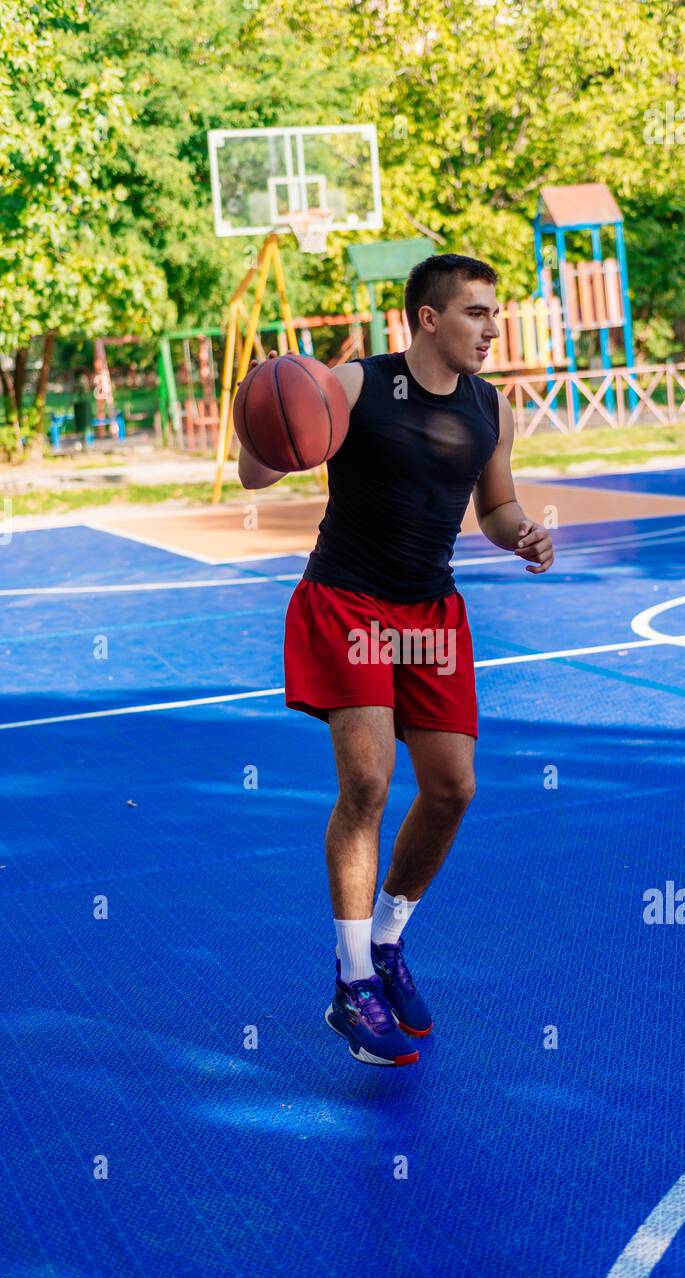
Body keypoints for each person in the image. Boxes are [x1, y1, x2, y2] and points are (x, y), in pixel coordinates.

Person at [239, 254, 554, 1066]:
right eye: (476, 313)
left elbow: (495, 503)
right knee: (370, 782)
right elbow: (257, 469)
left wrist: (520, 532)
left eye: (493, 313)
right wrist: (272, 422)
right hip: (347, 600)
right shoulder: (353, 385)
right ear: (426, 318)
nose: (491, 328)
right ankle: (350, 987)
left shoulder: (490, 407)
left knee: (451, 788)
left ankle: (383, 945)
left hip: (430, 611)